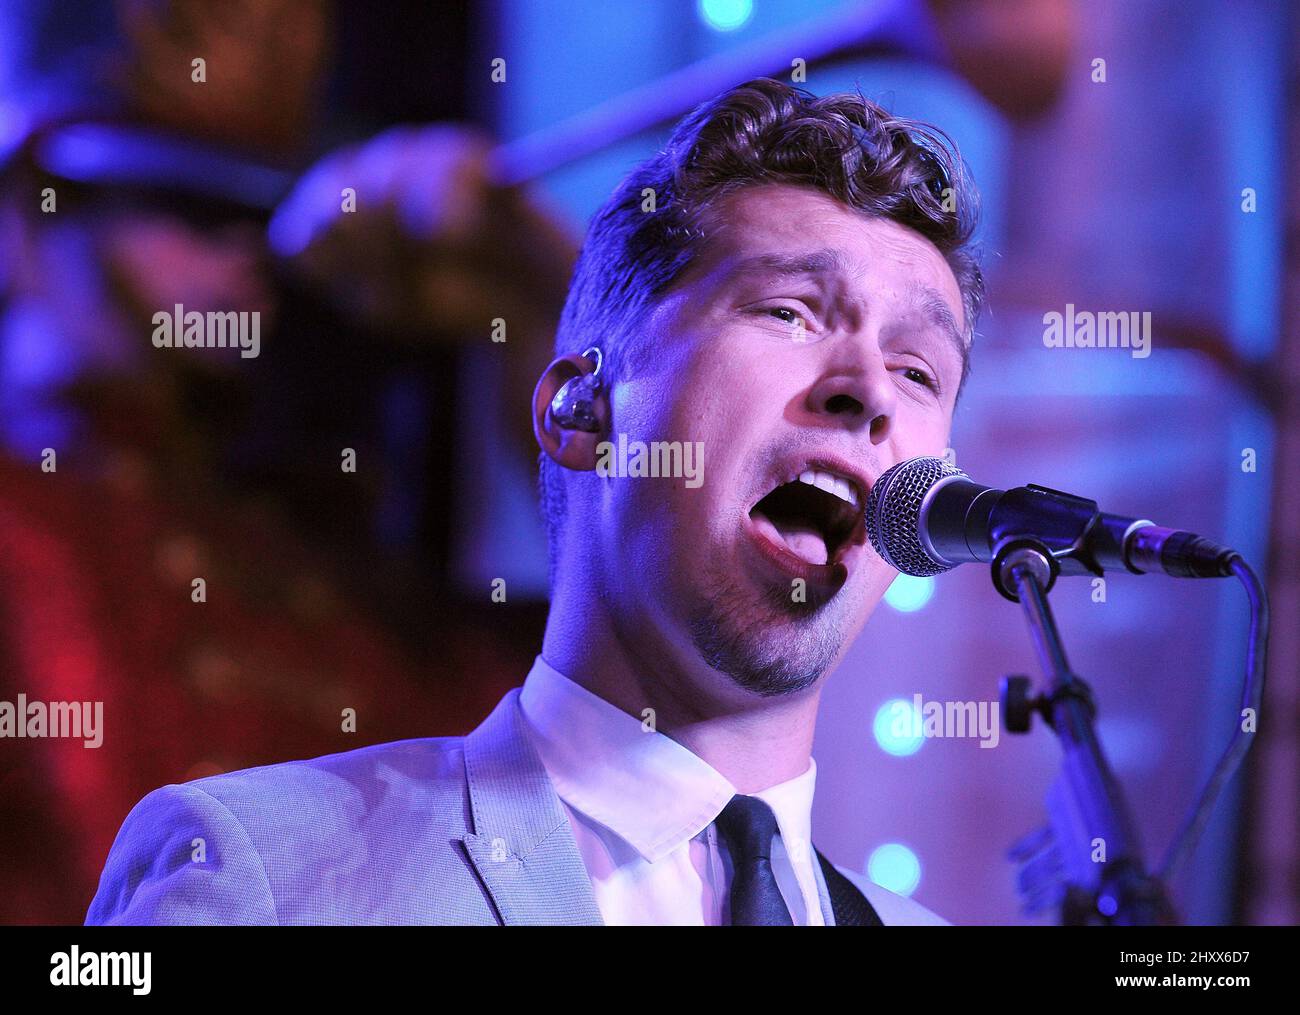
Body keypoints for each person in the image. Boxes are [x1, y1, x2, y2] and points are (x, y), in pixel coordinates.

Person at [86, 77, 985, 926]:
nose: (869, 388)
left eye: (918, 370)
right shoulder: (268, 879)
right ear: (578, 410)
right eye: (788, 311)